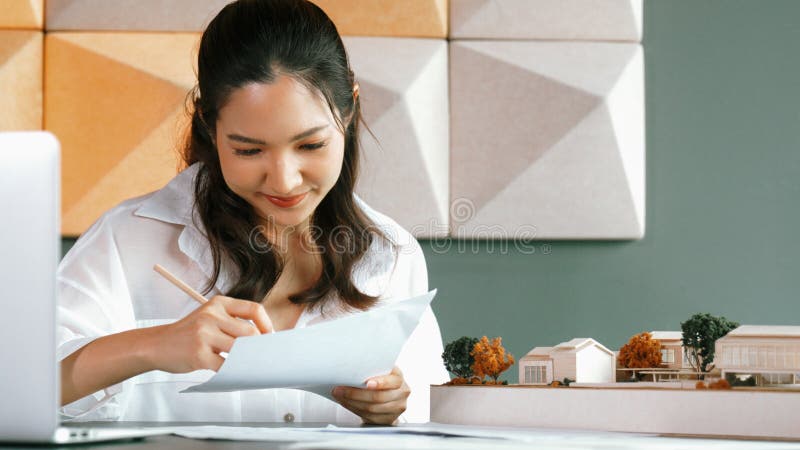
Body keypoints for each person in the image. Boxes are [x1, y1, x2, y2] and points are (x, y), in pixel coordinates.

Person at [57, 0, 449, 425]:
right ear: (210, 127)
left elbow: (430, 415)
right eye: (249, 150)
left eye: (310, 145)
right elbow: (18, 388)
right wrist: (152, 345)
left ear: (349, 112)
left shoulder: (389, 256)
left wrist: (391, 407)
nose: (283, 181)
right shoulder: (128, 240)